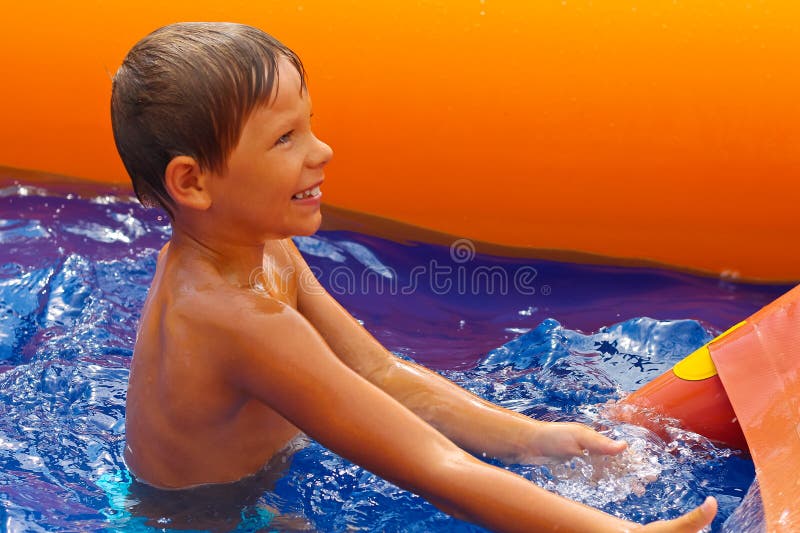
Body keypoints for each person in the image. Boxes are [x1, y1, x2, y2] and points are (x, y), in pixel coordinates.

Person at [111, 22, 716, 532]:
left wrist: (534, 440)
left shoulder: (261, 252)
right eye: (285, 138)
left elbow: (378, 373)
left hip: (229, 496)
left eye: (310, 123)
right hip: (207, 520)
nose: (322, 151)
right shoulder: (236, 320)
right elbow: (432, 470)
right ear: (192, 182)